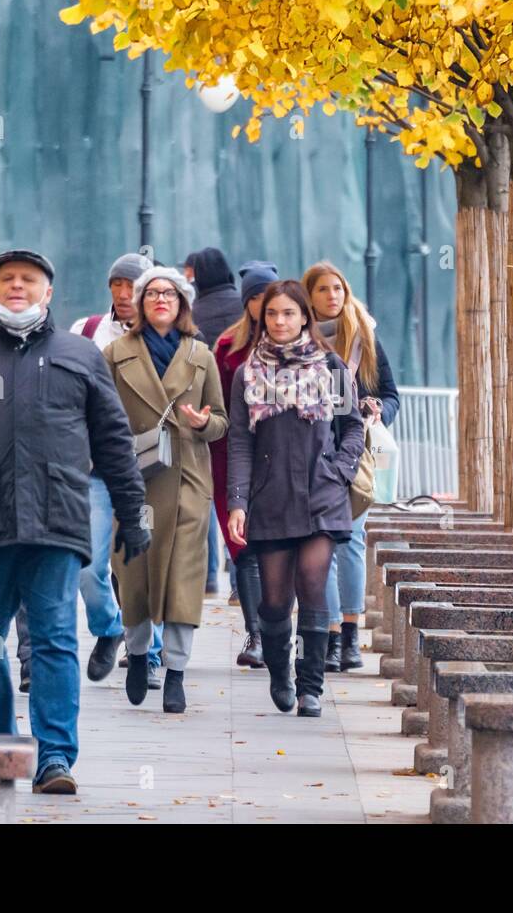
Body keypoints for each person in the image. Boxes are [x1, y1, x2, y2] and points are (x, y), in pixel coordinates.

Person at [0, 248, 150, 794]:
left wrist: (132, 513)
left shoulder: (80, 356)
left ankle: (55, 758)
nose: (17, 286)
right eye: (7, 279)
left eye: (29, 279)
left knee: (56, 639)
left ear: (48, 292)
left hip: (56, 520)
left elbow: (114, 441)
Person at [11, 252, 156, 695]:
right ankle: (109, 627)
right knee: (89, 566)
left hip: (153, 468)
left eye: (131, 286)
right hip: (93, 468)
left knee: (144, 566)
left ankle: (148, 654)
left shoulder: (169, 337)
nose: (123, 294)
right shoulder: (86, 333)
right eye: (116, 285)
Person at [226, 281, 364, 717]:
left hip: (321, 494)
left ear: (305, 316)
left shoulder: (330, 366)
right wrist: (238, 501)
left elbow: (354, 427)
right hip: (270, 497)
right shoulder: (247, 373)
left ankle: (311, 686)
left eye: (288, 313)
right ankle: (280, 672)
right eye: (272, 314)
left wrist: (338, 471)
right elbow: (240, 443)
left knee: (312, 581)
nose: (280, 322)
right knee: (274, 600)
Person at [105, 266, 228, 714]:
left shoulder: (201, 355)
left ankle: (176, 672)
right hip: (135, 478)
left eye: (170, 294)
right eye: (152, 293)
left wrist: (203, 423)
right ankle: (139, 655)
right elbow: (98, 416)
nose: (160, 300)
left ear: (182, 304)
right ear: (139, 304)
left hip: (188, 477)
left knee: (184, 575)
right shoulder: (116, 353)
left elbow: (222, 424)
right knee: (133, 572)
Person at [302, 261, 400, 672]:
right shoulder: (296, 338)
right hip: (308, 452)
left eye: (338, 288)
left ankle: (349, 636)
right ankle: (324, 634)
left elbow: (392, 395)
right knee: (318, 541)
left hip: (354, 450)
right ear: (309, 297)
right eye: (323, 289)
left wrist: (378, 410)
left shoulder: (364, 337)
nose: (332, 296)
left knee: (351, 540)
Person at [211, 261, 278, 667]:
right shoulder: (228, 347)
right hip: (233, 455)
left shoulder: (301, 347)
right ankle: (255, 637)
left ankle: (277, 633)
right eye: (255, 298)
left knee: (277, 550)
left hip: (284, 459)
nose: (263, 306)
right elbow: (218, 404)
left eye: (269, 297)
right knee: (245, 548)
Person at [184, 247, 239, 596]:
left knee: (205, 493)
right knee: (239, 495)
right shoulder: (243, 310)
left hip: (202, 417)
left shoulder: (193, 313)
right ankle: (239, 578)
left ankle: (205, 577)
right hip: (246, 418)